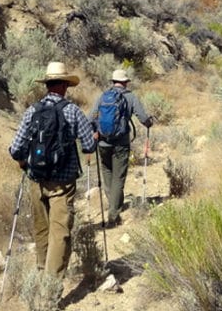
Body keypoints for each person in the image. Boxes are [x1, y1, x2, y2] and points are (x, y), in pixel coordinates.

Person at [9, 61, 96, 283]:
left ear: (47, 85)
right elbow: (88, 145)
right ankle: (51, 286)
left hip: (36, 180)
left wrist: (24, 162)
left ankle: (41, 271)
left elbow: (15, 148)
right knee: (60, 233)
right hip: (63, 183)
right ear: (65, 86)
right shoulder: (73, 112)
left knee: (41, 229)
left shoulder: (32, 111)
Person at [90, 68, 153, 228]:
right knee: (119, 177)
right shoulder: (130, 97)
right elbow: (143, 117)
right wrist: (149, 123)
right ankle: (113, 213)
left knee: (107, 173)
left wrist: (95, 131)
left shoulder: (103, 97)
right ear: (125, 82)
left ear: (113, 82)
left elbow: (91, 117)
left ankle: (113, 204)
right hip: (121, 143)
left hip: (103, 142)